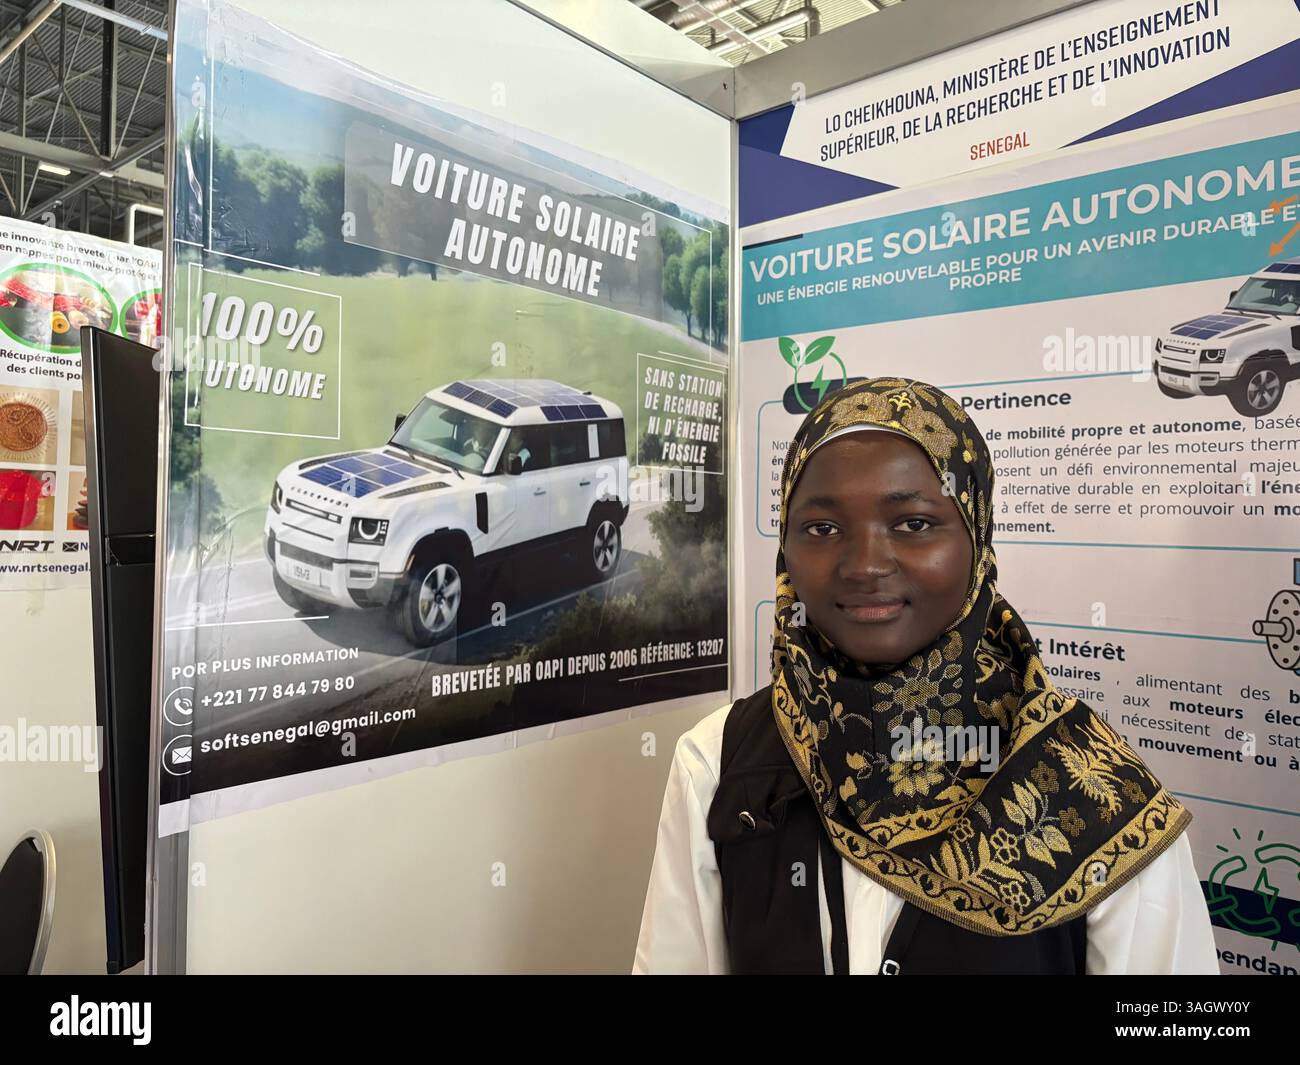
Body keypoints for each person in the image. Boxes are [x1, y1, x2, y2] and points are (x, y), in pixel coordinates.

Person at [633, 377, 1218, 975]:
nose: (864, 565)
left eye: (913, 523)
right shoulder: (721, 759)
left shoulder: (1090, 785)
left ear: (977, 537)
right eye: (822, 528)